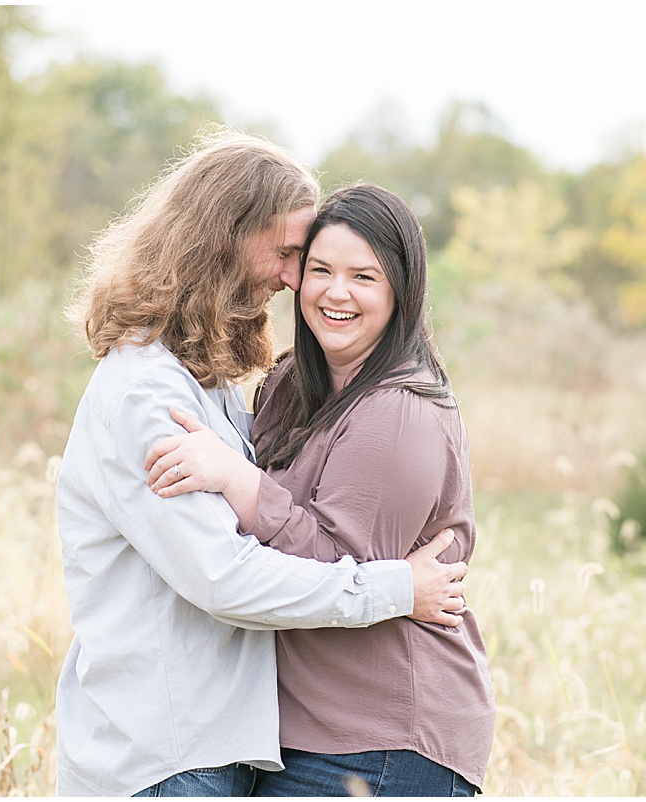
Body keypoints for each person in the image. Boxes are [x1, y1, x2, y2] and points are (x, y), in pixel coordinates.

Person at [54, 129, 470, 797]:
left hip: (240, 744)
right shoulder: (148, 394)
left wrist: (241, 478)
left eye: (359, 274)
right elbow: (226, 577)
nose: (293, 279)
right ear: (221, 241)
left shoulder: (211, 384)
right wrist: (397, 588)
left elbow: (298, 532)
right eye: (289, 255)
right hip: (166, 752)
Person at [145, 183, 496, 796]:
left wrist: (237, 478)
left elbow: (343, 569)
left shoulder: (399, 412)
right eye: (321, 270)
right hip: (301, 731)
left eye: (364, 277)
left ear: (402, 292)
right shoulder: (291, 383)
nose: (336, 292)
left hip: (381, 742)